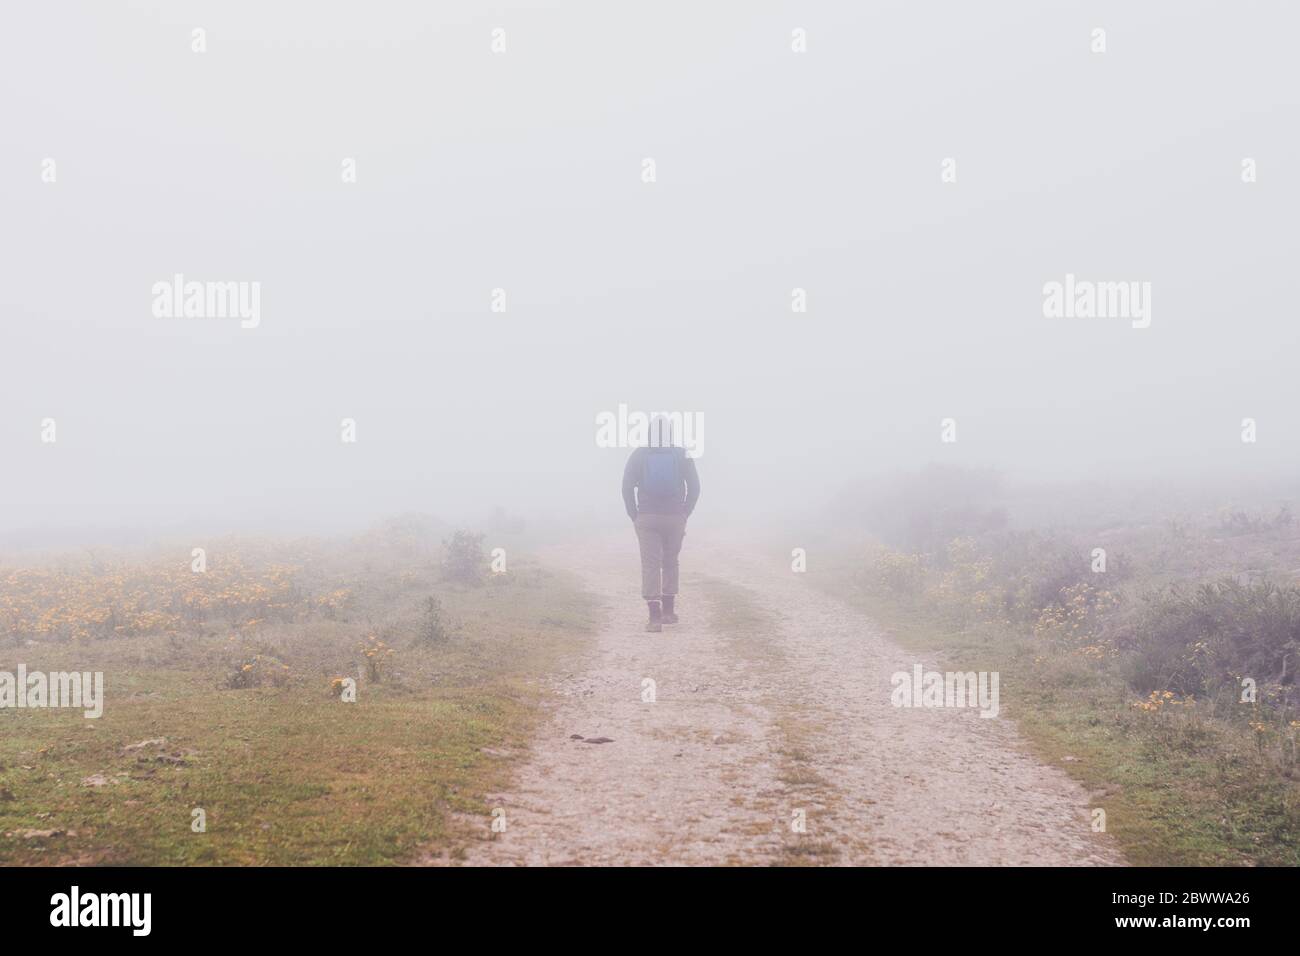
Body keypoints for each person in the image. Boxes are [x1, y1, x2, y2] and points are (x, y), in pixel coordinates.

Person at [622, 417, 700, 632]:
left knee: (650, 564)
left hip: (647, 517)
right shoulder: (682, 453)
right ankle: (669, 611)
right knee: (670, 561)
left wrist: (634, 515)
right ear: (670, 433)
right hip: (675, 517)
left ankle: (654, 617)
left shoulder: (639, 454)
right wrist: (685, 512)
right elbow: (695, 487)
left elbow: (626, 487)